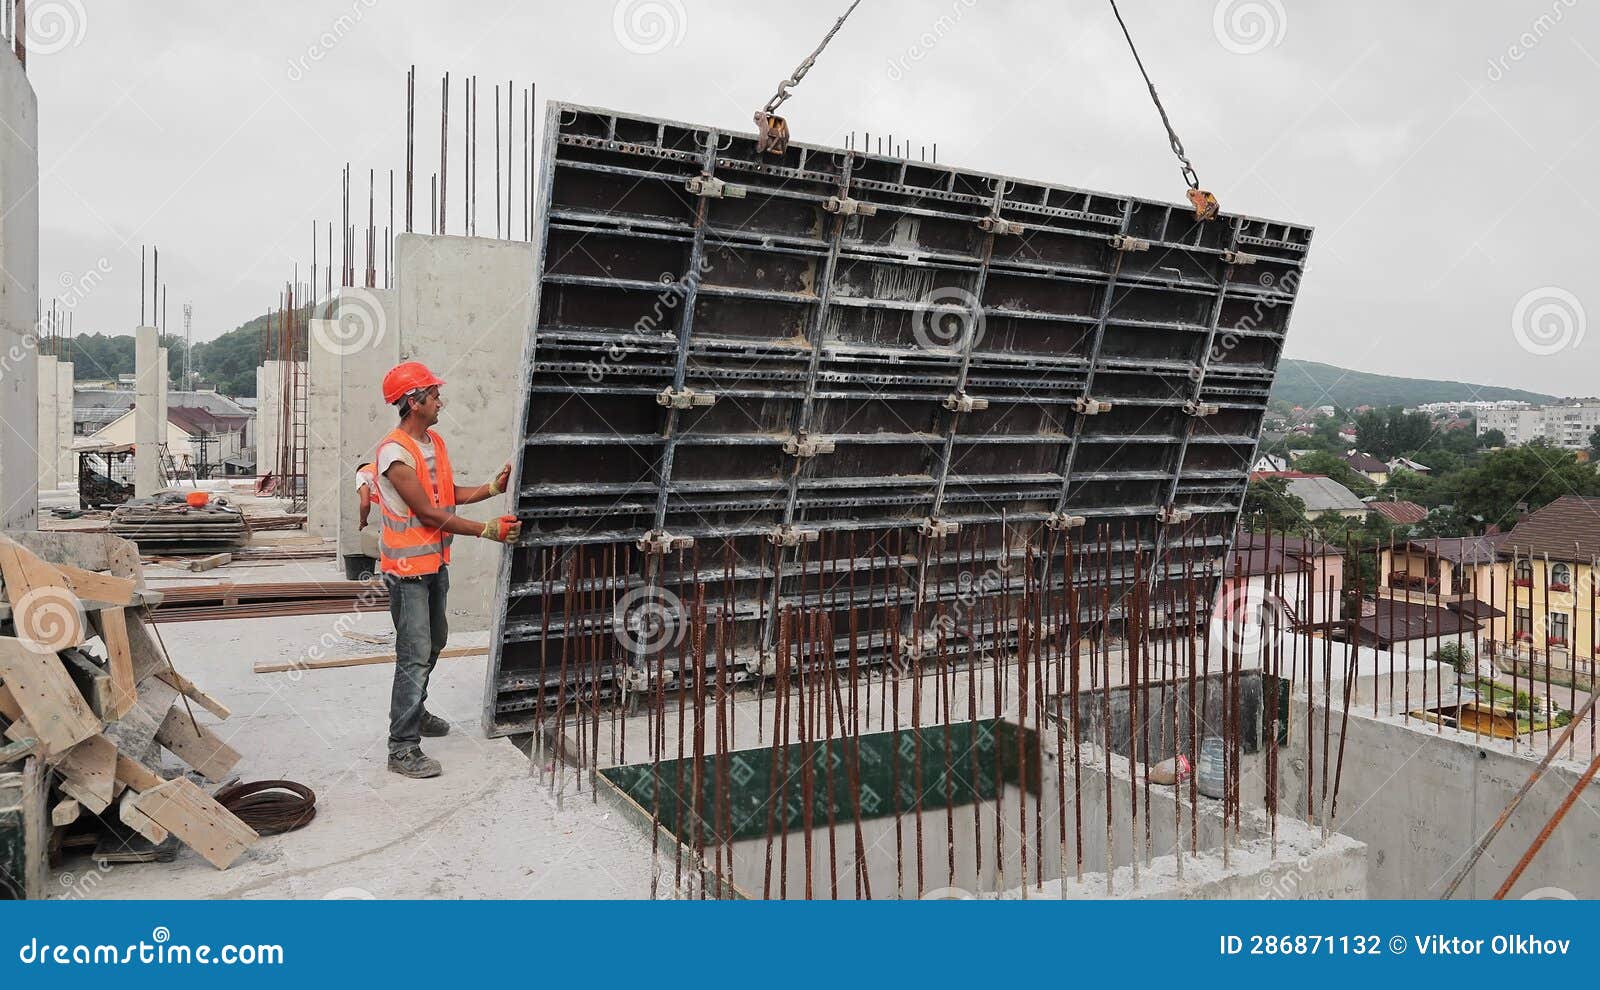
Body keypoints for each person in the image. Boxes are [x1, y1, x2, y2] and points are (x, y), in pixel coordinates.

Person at [376, 361, 520, 779]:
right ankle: (402, 747)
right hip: (407, 571)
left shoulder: (433, 442)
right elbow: (426, 512)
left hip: (434, 563)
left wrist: (491, 489)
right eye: (434, 395)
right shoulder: (395, 453)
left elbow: (445, 495)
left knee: (434, 642)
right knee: (414, 654)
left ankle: (415, 711)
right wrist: (487, 530)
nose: (441, 402)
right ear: (413, 401)